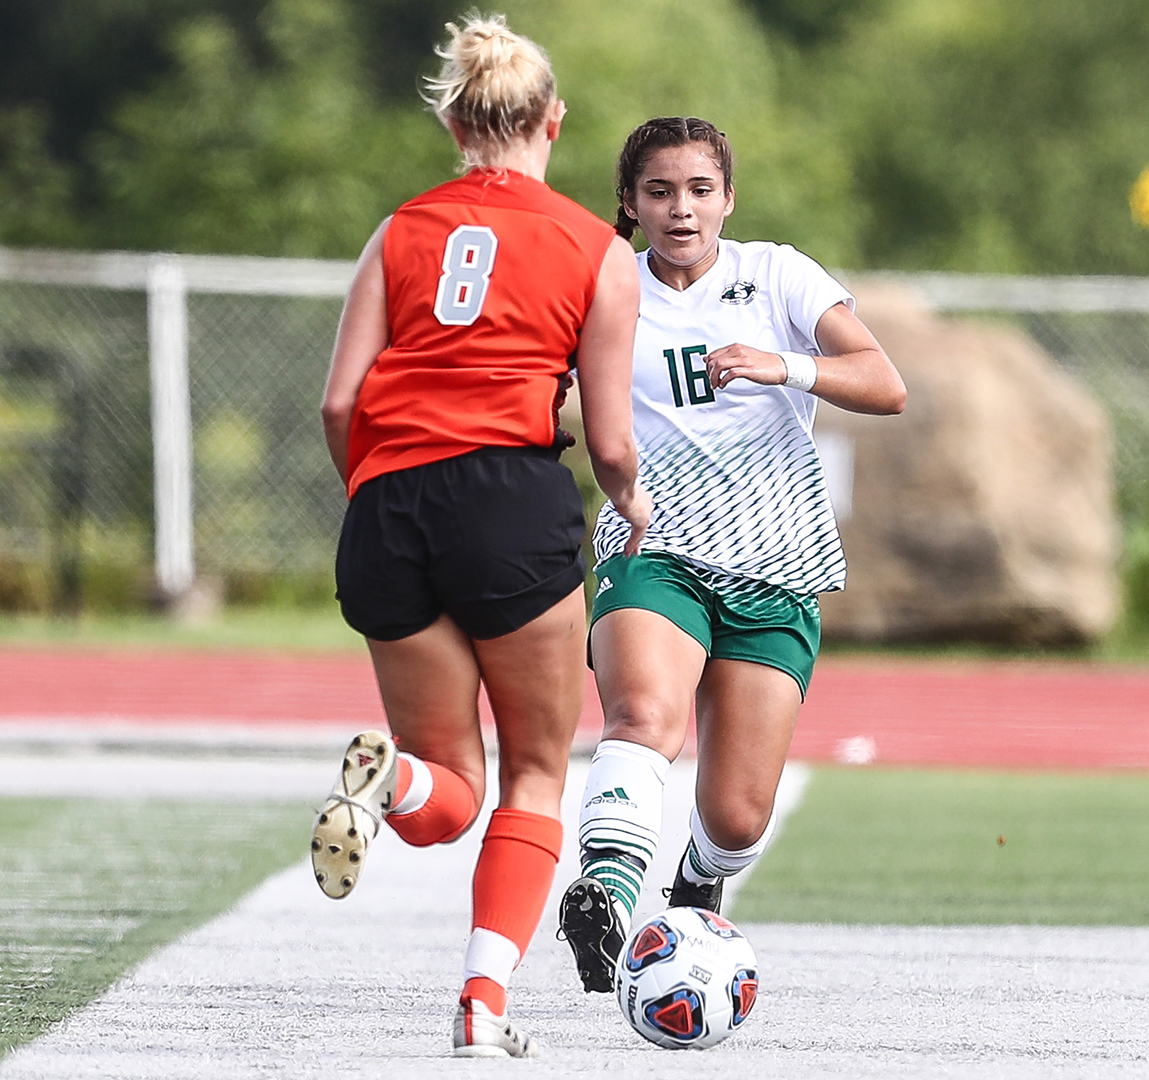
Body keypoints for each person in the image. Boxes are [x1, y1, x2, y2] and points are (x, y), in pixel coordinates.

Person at [309, 14, 649, 1057]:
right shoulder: (597, 248)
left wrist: (376, 491)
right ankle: (482, 1005)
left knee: (445, 793)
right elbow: (610, 439)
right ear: (554, 122)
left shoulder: (399, 231)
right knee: (535, 775)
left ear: (455, 126)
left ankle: (393, 781)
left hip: (388, 499)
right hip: (508, 501)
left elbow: (339, 404)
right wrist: (632, 505)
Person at [554, 116, 906, 993]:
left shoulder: (777, 274)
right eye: (660, 191)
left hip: (775, 564)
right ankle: (604, 896)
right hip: (655, 546)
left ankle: (699, 879)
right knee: (644, 715)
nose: (682, 208)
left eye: (699, 190)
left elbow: (885, 383)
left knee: (739, 816)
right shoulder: (603, 291)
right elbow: (536, 391)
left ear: (728, 199)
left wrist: (785, 365)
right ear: (630, 202)